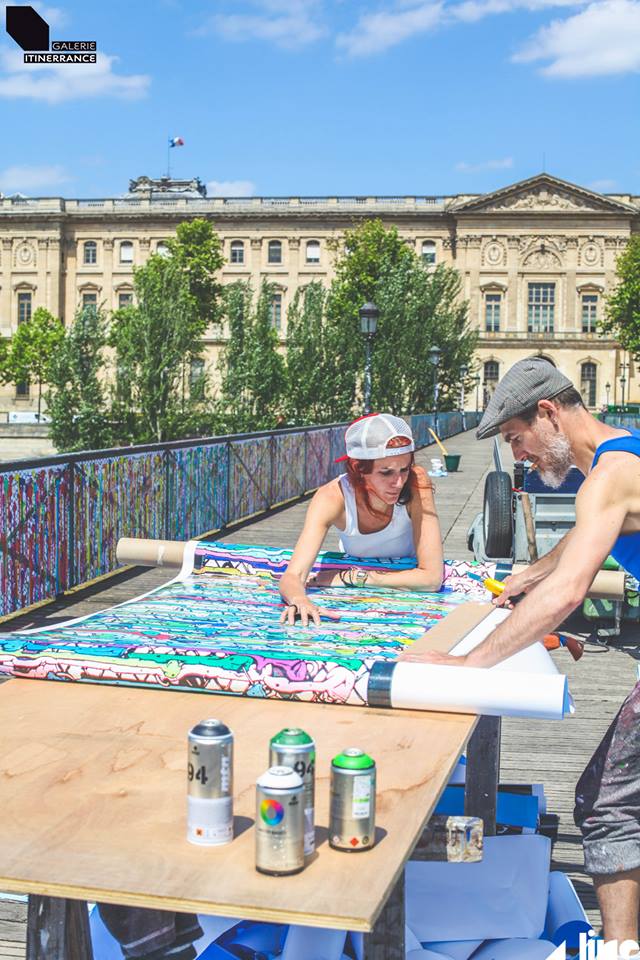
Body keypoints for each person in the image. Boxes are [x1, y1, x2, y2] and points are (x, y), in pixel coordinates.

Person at [418, 356, 640, 954]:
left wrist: (470, 666)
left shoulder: (608, 475)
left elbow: (571, 589)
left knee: (605, 802)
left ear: (549, 412)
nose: (519, 456)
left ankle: (621, 950)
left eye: (517, 439)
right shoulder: (625, 452)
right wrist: (528, 575)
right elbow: (587, 540)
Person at [279, 413, 444, 626]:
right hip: (403, 582)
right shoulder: (331, 497)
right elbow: (293, 575)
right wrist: (299, 599)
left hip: (386, 589)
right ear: (358, 469)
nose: (399, 482)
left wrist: (355, 578)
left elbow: (432, 578)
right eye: (386, 473)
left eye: (404, 469)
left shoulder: (416, 481)